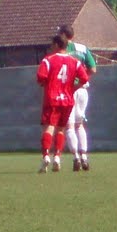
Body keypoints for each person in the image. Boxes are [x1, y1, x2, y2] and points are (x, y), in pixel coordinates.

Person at [36, 33, 88, 173]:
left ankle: (46, 156)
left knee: (49, 128)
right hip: (67, 100)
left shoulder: (48, 60)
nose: (50, 47)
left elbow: (41, 77)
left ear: (57, 45)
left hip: (52, 99)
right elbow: (84, 79)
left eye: (52, 44)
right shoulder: (75, 62)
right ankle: (57, 157)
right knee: (61, 129)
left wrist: (47, 84)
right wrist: (73, 88)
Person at [58, 24, 98, 171]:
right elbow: (93, 69)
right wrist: (82, 80)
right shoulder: (82, 48)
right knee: (80, 125)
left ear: (62, 35)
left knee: (69, 126)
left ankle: (75, 157)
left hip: (68, 90)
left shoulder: (60, 51)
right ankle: (84, 156)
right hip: (82, 90)